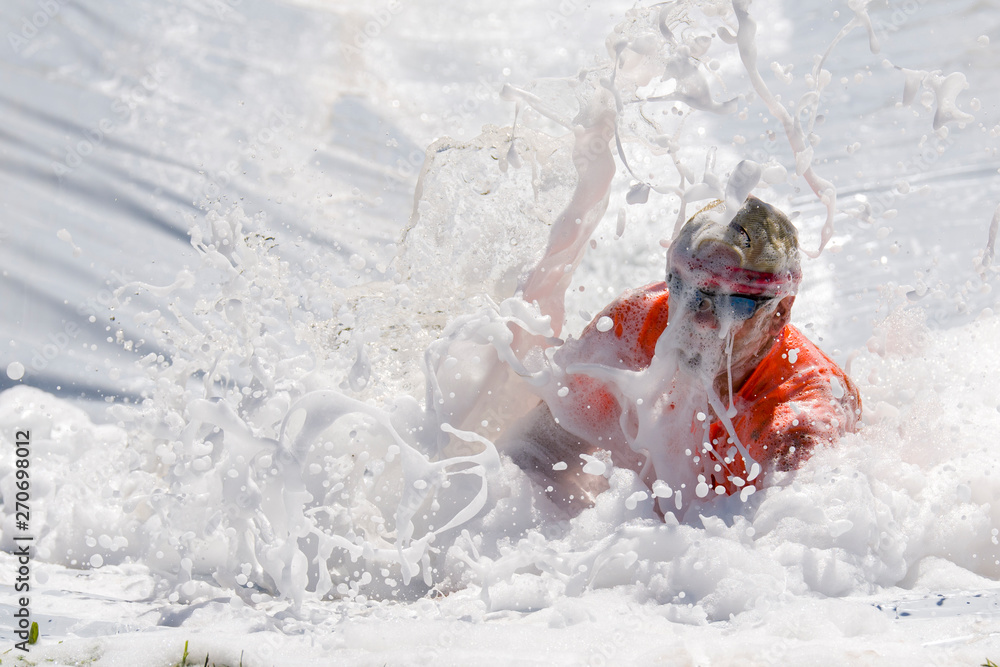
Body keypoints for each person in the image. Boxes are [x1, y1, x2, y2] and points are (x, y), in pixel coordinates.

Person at [502, 195, 861, 515]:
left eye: (727, 303)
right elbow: (534, 453)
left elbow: (765, 563)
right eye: (682, 287)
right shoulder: (637, 322)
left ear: (780, 312)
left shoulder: (799, 420)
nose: (694, 318)